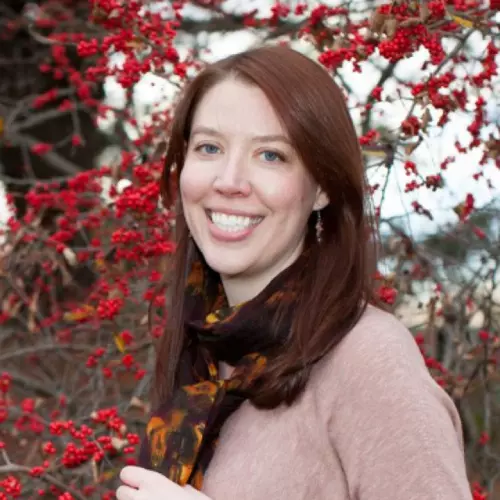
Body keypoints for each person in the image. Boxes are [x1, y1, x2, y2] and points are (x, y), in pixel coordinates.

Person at [116, 45, 472, 500]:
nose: (229, 180)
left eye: (271, 156)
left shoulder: (366, 358)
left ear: (321, 186)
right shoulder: (205, 358)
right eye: (209, 147)